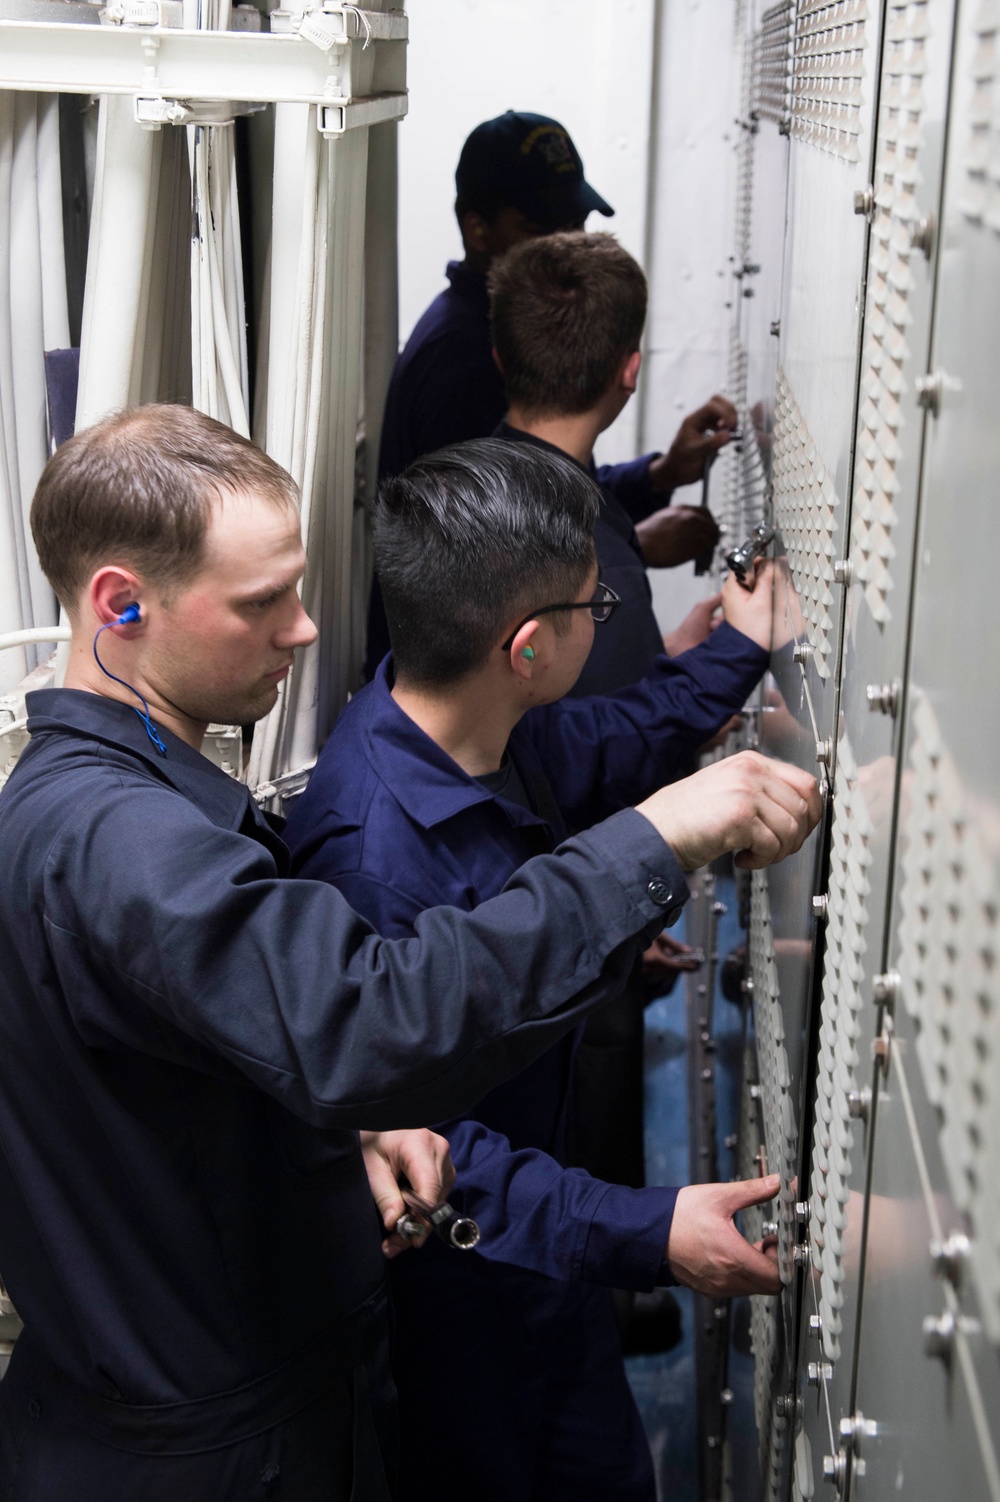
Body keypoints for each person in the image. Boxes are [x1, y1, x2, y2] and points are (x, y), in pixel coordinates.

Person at [0, 404, 820, 1501]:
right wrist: (654, 838)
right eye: (263, 600)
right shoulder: (124, 843)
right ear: (120, 603)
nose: (303, 629)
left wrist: (343, 1124)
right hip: (214, 1450)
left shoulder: (113, 811)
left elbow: (243, 1054)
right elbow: (369, 1017)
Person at [283, 439, 787, 1502]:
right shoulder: (371, 859)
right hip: (466, 1295)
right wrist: (643, 1229)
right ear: (525, 645)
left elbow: (603, 739)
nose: (597, 623)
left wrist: (733, 652)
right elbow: (417, 1153)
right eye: (591, 612)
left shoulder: (461, 726)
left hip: (546, 1261)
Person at [488, 228, 737, 1216]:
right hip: (574, 942)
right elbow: (603, 748)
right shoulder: (574, 546)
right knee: (581, 1166)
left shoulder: (499, 486)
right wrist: (727, 653)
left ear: (499, 357)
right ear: (631, 371)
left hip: (553, 906)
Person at [367, 109, 730, 672]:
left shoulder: (486, 331)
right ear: (477, 227)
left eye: (577, 222)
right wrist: (631, 546)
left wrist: (657, 477)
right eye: (545, 227)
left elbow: (540, 481)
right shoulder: (460, 361)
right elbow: (476, 557)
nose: (568, 246)